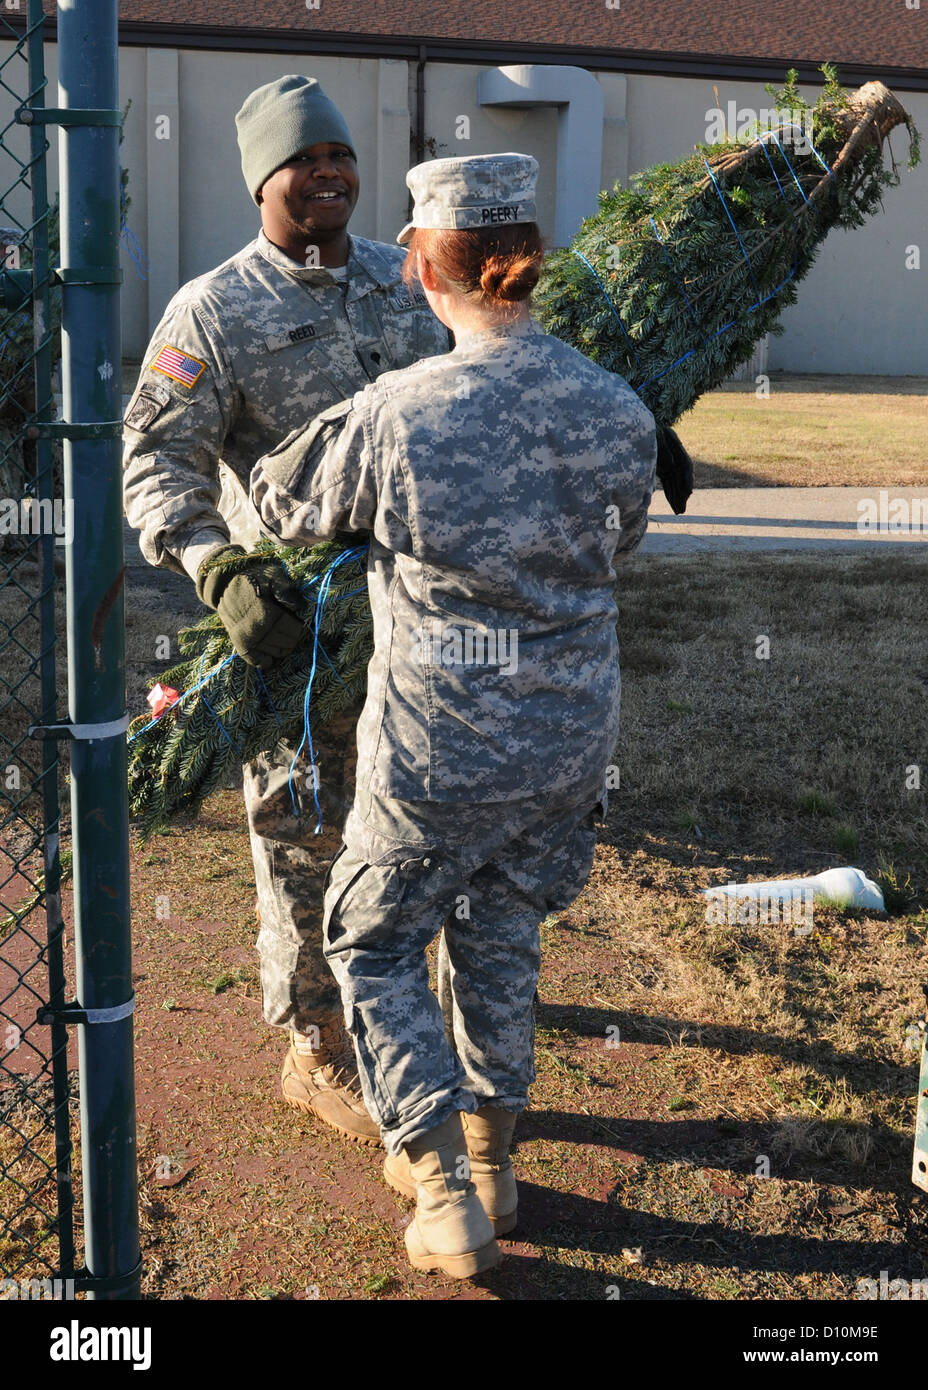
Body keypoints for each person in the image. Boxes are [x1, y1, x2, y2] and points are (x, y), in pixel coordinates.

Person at [250, 151, 656, 1278]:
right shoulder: (615, 404)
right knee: (502, 927)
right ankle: (494, 1165)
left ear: (426, 267)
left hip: (441, 749)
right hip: (570, 742)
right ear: (528, 265)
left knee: (371, 939)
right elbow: (621, 540)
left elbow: (283, 502)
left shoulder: (397, 412)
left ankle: (439, 1190)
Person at [122, 75, 450, 1145]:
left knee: (421, 821)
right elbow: (157, 461)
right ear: (263, 179)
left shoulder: (413, 281)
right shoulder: (212, 310)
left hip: (424, 615)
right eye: (303, 161)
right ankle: (317, 1048)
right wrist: (218, 567)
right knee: (306, 831)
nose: (328, 176)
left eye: (341, 157)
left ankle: (420, 994)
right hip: (298, 632)